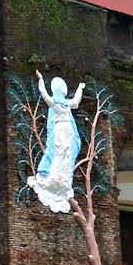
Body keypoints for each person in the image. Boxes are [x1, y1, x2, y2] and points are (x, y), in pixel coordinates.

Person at [26, 71, 84, 213]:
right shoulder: (61, 104)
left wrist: (41, 81)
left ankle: (62, 175)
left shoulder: (60, 104)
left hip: (64, 130)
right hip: (63, 130)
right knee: (61, 152)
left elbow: (46, 95)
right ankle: (55, 175)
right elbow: (74, 100)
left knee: (64, 153)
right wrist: (80, 89)